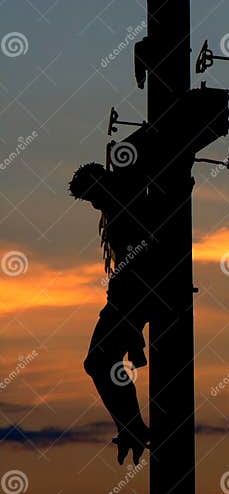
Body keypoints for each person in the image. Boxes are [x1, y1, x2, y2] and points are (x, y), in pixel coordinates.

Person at [69, 159, 152, 465]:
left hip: (130, 298)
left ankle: (133, 426)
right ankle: (131, 426)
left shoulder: (128, 204)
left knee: (99, 361)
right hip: (123, 298)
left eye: (92, 197)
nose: (92, 205)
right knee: (101, 361)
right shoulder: (118, 206)